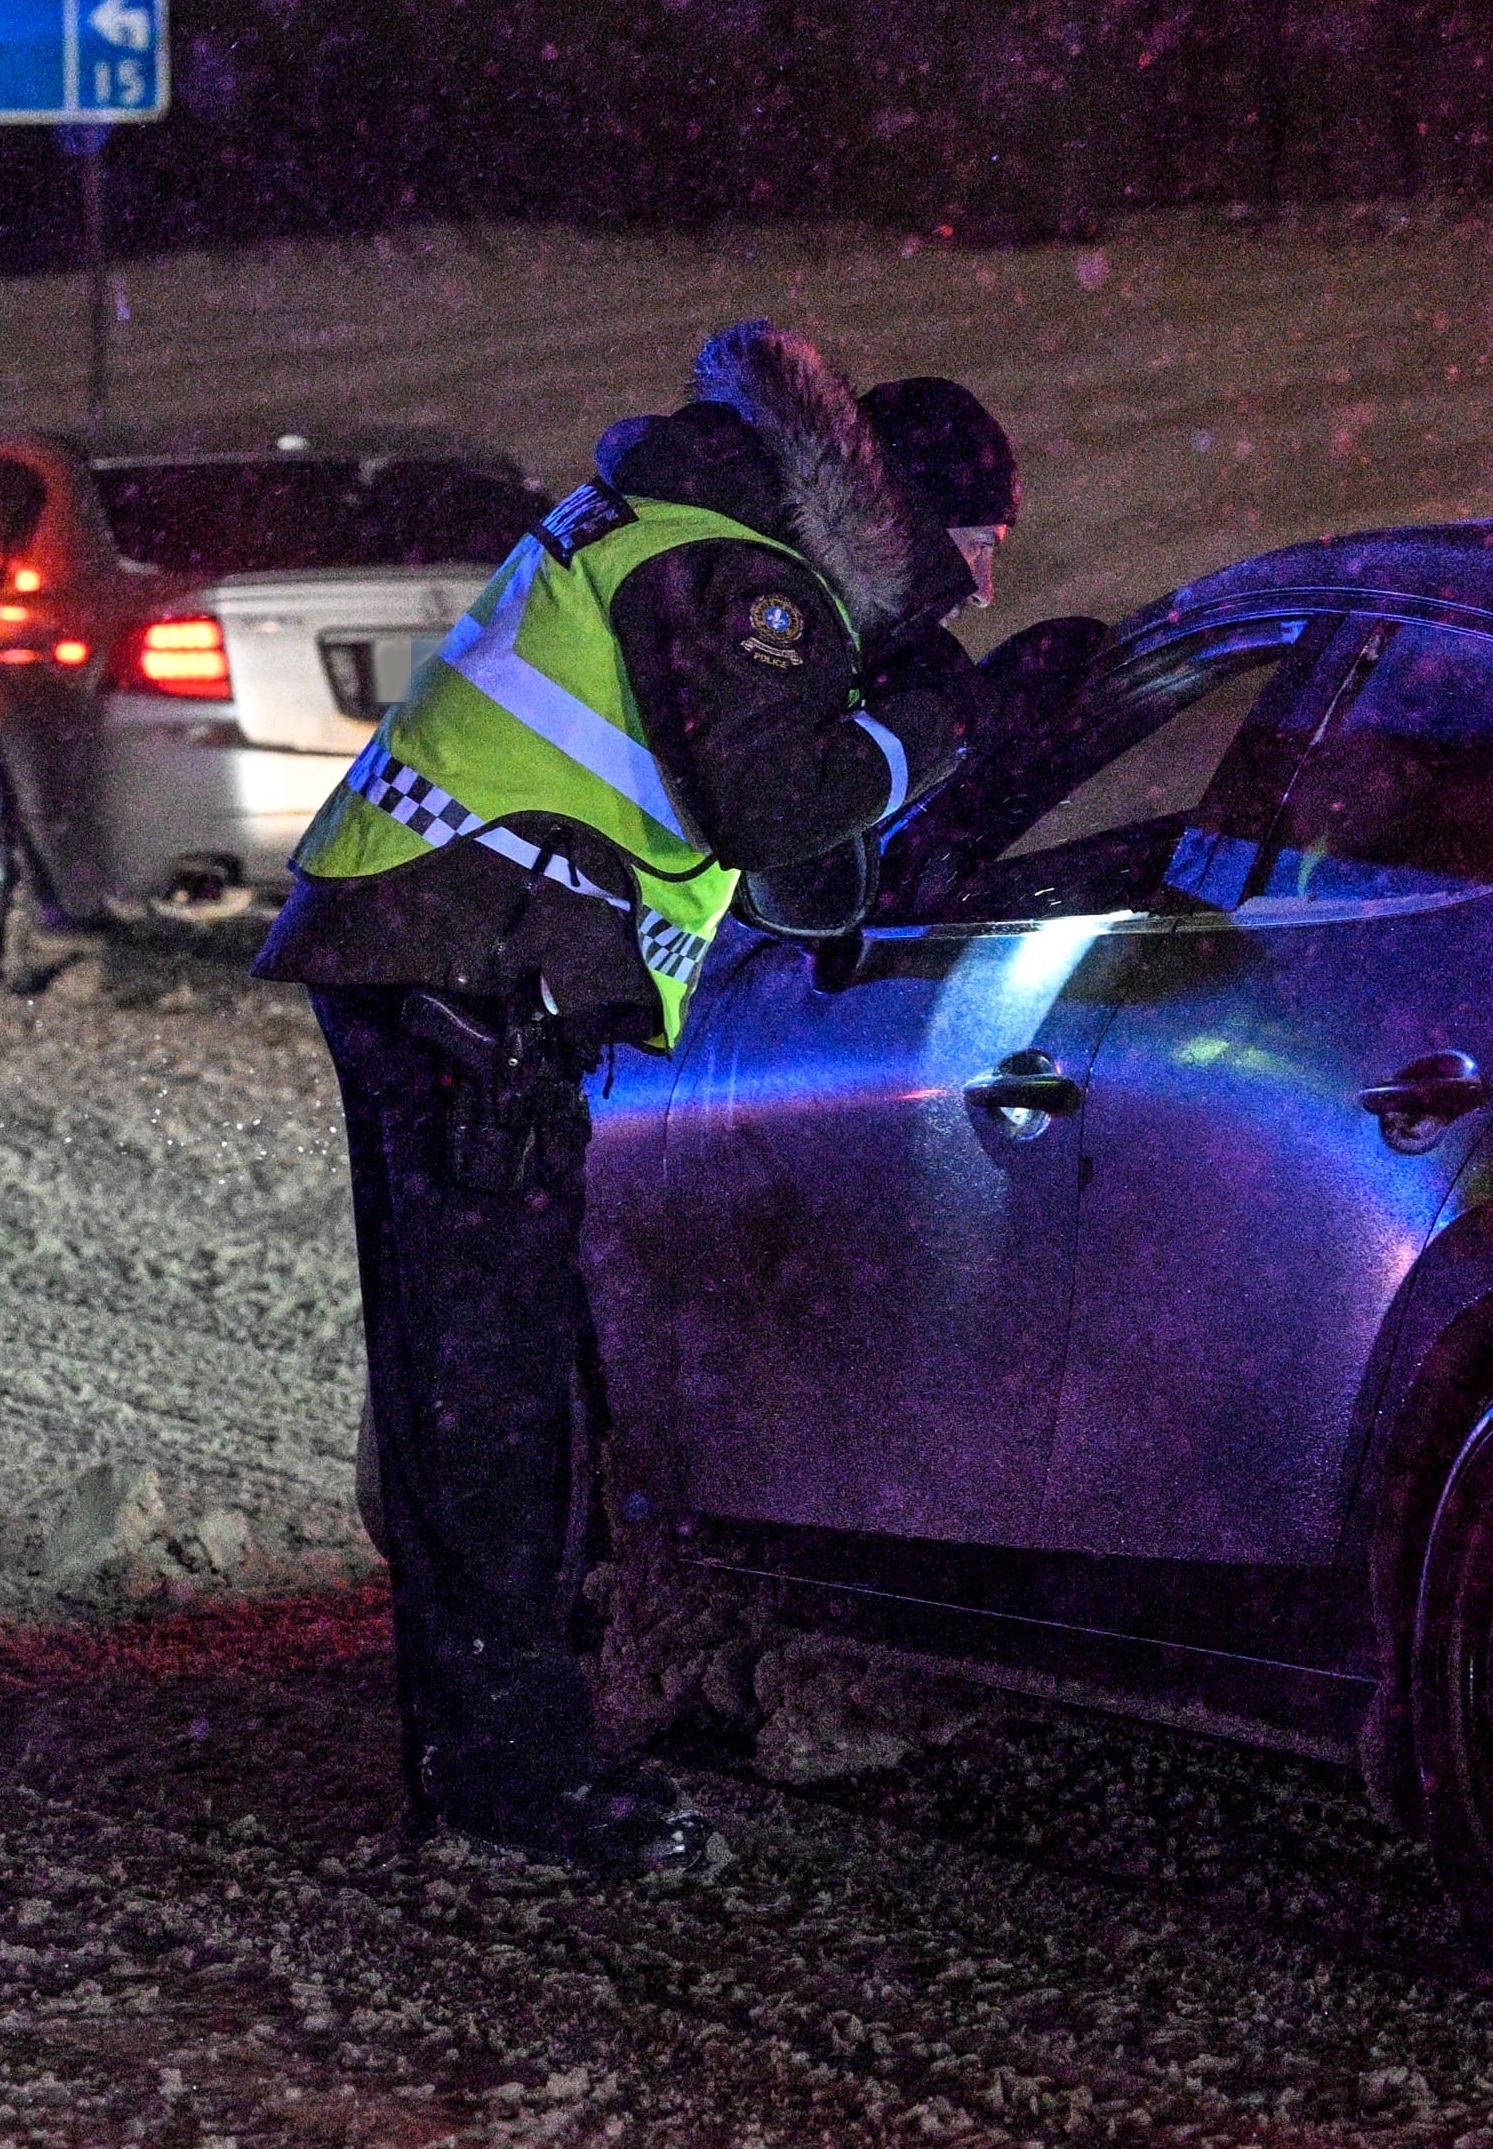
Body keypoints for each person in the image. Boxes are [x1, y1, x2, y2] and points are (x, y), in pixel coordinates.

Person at [258, 322, 1018, 1878]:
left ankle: (474, 1753)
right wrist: (931, 721)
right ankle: (513, 1781)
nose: (986, 588)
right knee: (497, 1395)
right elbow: (780, 798)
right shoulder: (743, 575)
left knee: (464, 1380)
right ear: (907, 528)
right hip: (474, 977)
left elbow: (766, 839)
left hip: (434, 956)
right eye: (980, 551)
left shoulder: (679, 521)